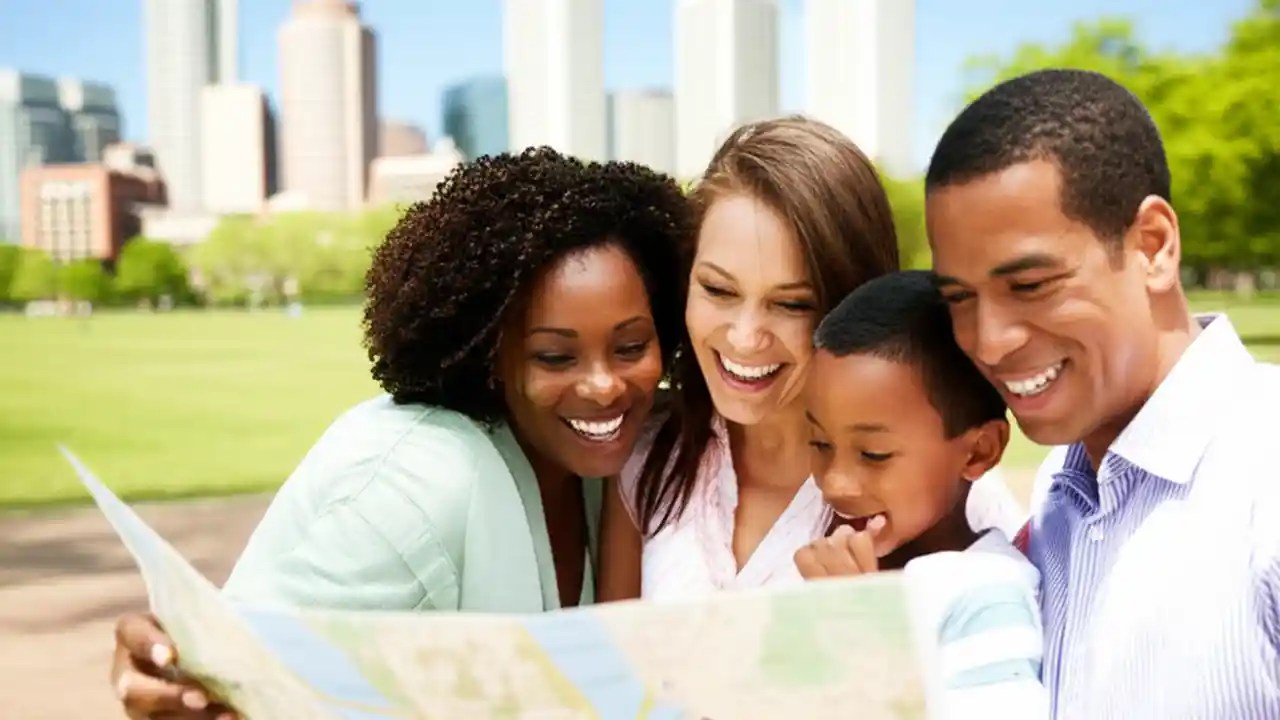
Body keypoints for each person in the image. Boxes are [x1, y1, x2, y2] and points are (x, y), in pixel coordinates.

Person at [106, 148, 690, 720]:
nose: (605, 386)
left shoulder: (630, 457)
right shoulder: (419, 484)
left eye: (630, 347)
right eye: (556, 356)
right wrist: (161, 675)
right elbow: (226, 675)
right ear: (489, 353)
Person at [925, 68, 1280, 719]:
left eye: (1030, 285)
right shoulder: (1059, 490)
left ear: (1152, 247)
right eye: (959, 299)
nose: (989, 341)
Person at [599, 117, 1025, 602]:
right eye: (718, 290)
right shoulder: (650, 454)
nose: (744, 338)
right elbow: (610, 643)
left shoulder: (942, 489)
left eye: (791, 304)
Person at [791, 270, 1045, 719]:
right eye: (820, 443)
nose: (835, 483)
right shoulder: (836, 565)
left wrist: (860, 629)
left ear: (979, 451)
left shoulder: (984, 594)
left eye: (874, 454)